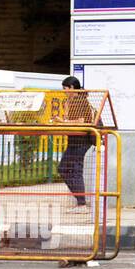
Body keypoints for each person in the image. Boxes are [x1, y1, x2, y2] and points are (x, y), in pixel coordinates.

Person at [57, 76, 95, 207]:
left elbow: (81, 121)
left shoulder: (81, 101)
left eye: (65, 89)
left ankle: (81, 202)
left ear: (72, 88)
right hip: (73, 140)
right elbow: (68, 118)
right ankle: (80, 199)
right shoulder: (70, 101)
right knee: (64, 169)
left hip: (82, 141)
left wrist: (64, 122)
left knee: (75, 169)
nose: (64, 92)